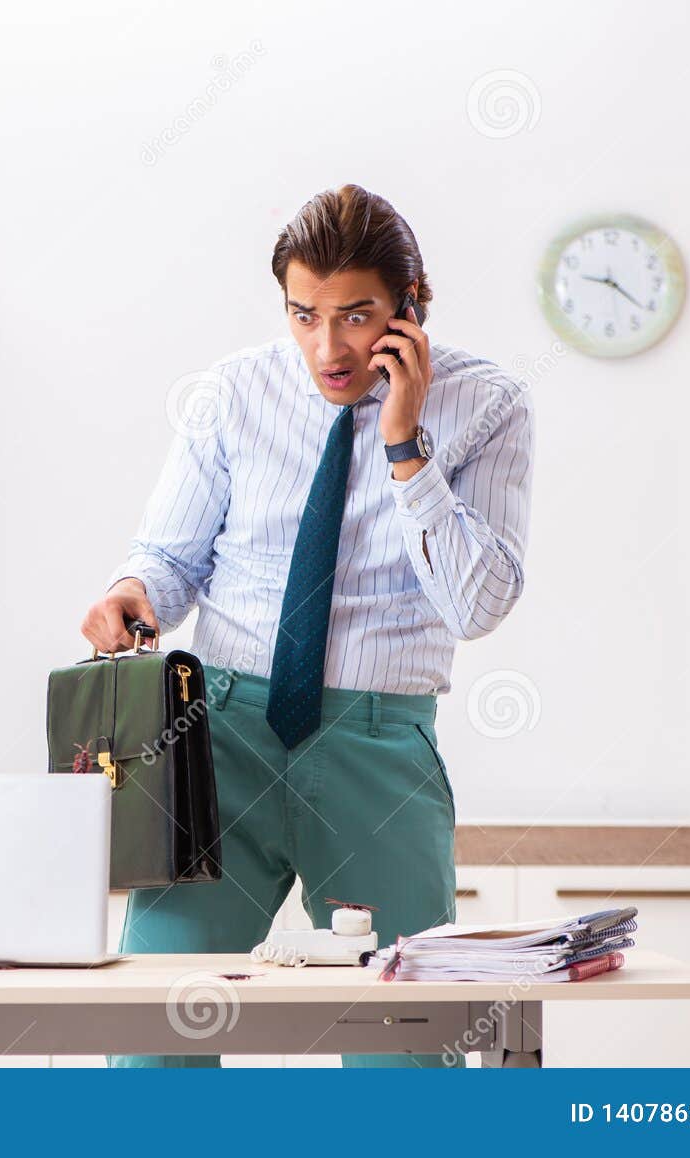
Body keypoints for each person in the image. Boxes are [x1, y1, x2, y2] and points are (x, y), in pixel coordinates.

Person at [81, 184, 535, 1067]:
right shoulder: (233, 393)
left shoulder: (488, 406)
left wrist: (407, 448)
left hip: (377, 749)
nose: (328, 348)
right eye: (304, 315)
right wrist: (133, 591)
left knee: (407, 1053)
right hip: (218, 739)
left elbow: (477, 606)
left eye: (356, 316)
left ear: (410, 307)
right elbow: (171, 558)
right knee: (152, 1039)